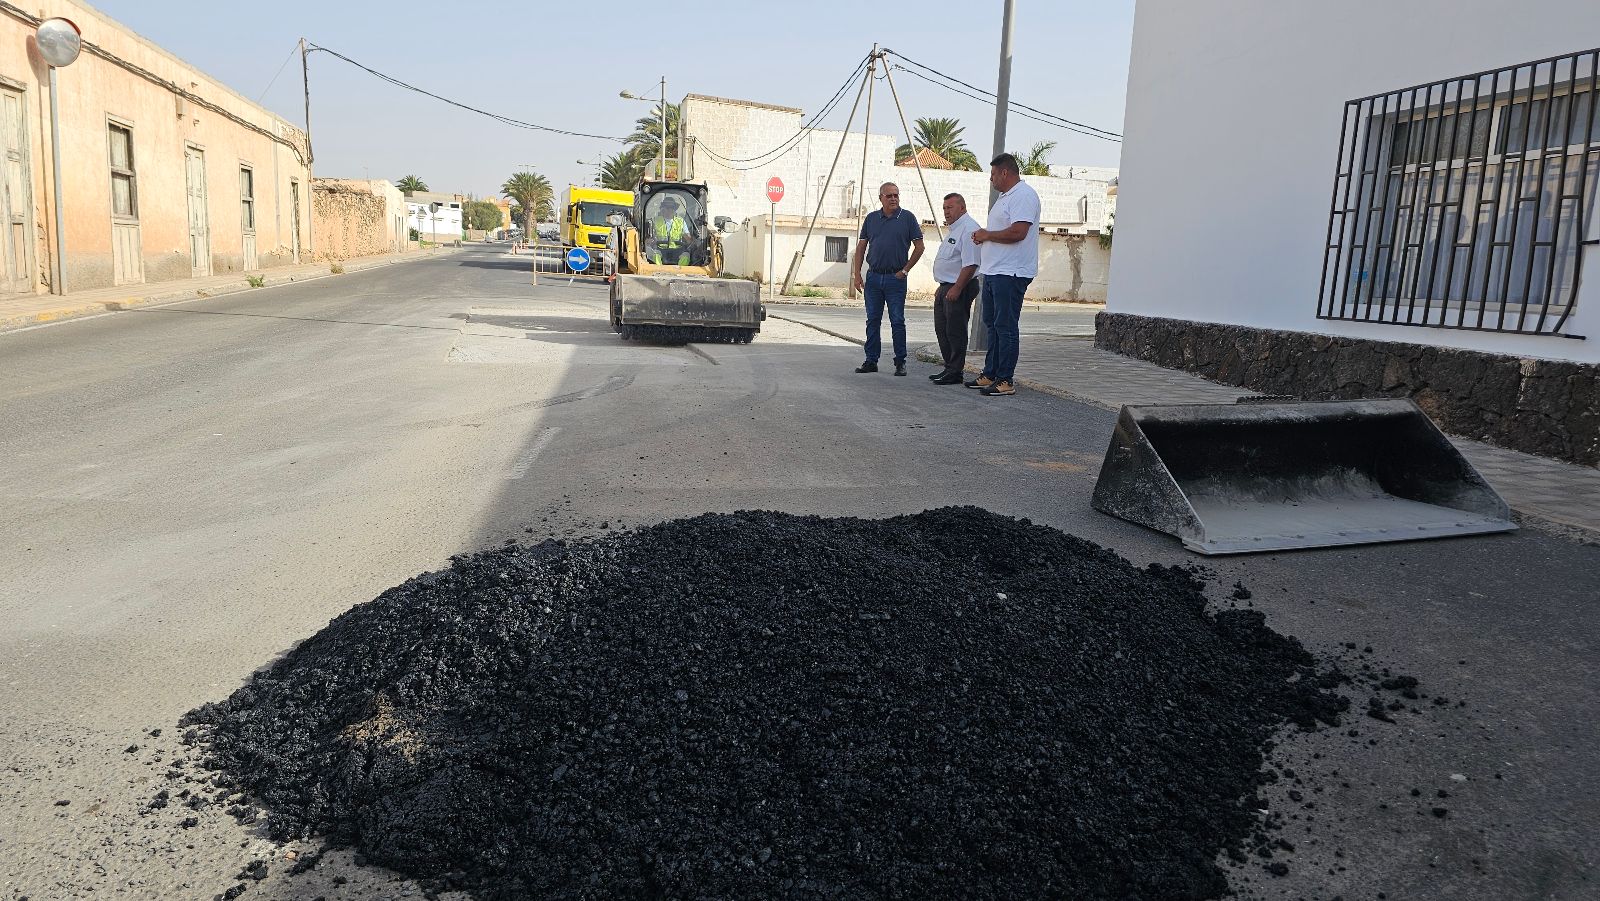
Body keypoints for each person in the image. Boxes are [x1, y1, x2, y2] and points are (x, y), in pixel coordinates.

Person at [968, 153, 1041, 397]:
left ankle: (1005, 379)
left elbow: (1019, 232)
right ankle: (991, 373)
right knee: (993, 324)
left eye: (992, 175)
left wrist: (987, 234)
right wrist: (984, 237)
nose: (991, 180)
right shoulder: (1004, 198)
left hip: (1011, 273)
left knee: (1006, 326)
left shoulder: (1023, 196)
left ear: (1005, 173)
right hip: (994, 271)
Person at [851, 182, 925, 376]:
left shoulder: (907, 218)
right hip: (874, 278)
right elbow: (861, 247)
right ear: (881, 198)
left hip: (896, 279)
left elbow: (920, 247)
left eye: (896, 195)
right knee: (872, 320)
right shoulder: (872, 218)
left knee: (897, 321)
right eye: (889, 196)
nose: (893, 199)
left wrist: (905, 270)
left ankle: (900, 362)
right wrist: (857, 274)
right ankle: (871, 360)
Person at [928, 192, 981, 385]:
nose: (946, 212)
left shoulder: (969, 229)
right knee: (942, 329)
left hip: (960, 286)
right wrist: (942, 286)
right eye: (944, 208)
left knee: (955, 330)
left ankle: (955, 371)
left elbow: (971, 264)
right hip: (947, 286)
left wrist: (956, 288)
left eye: (950, 208)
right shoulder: (955, 230)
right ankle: (949, 368)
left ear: (963, 208)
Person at [650, 197, 691, 266]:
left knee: (686, 256)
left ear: (675, 209)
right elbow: (650, 237)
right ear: (663, 208)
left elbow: (688, 239)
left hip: (677, 249)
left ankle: (680, 274)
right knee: (655, 255)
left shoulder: (681, 221)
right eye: (667, 207)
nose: (670, 209)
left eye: (672, 207)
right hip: (660, 248)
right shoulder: (655, 221)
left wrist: (690, 240)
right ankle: (659, 272)